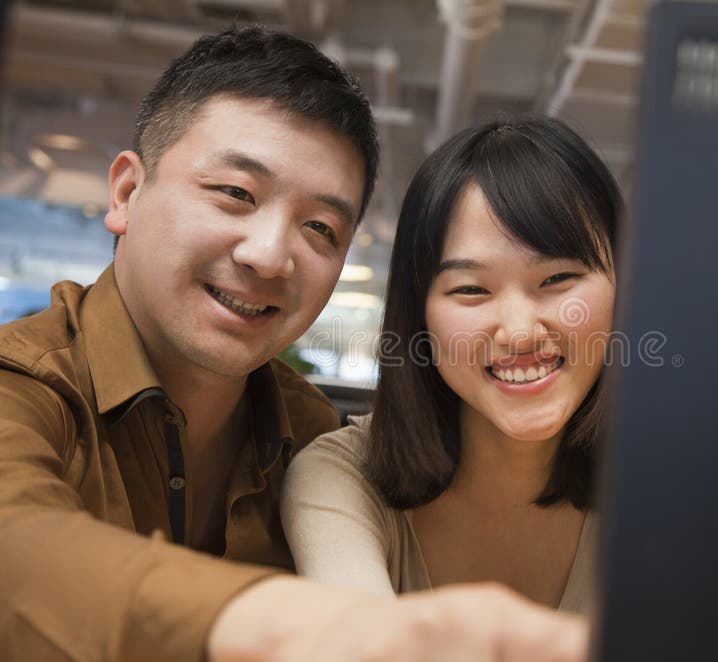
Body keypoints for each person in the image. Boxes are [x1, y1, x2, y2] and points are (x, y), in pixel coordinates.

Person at [0, 29, 586, 661]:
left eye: (319, 227)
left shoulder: (306, 432)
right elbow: (20, 544)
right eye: (235, 194)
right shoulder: (25, 386)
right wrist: (302, 627)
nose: (270, 255)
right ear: (125, 192)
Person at [282, 114, 620, 613]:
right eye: (470, 289)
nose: (520, 331)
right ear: (419, 316)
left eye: (558, 278)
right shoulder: (344, 476)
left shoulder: (674, 490)